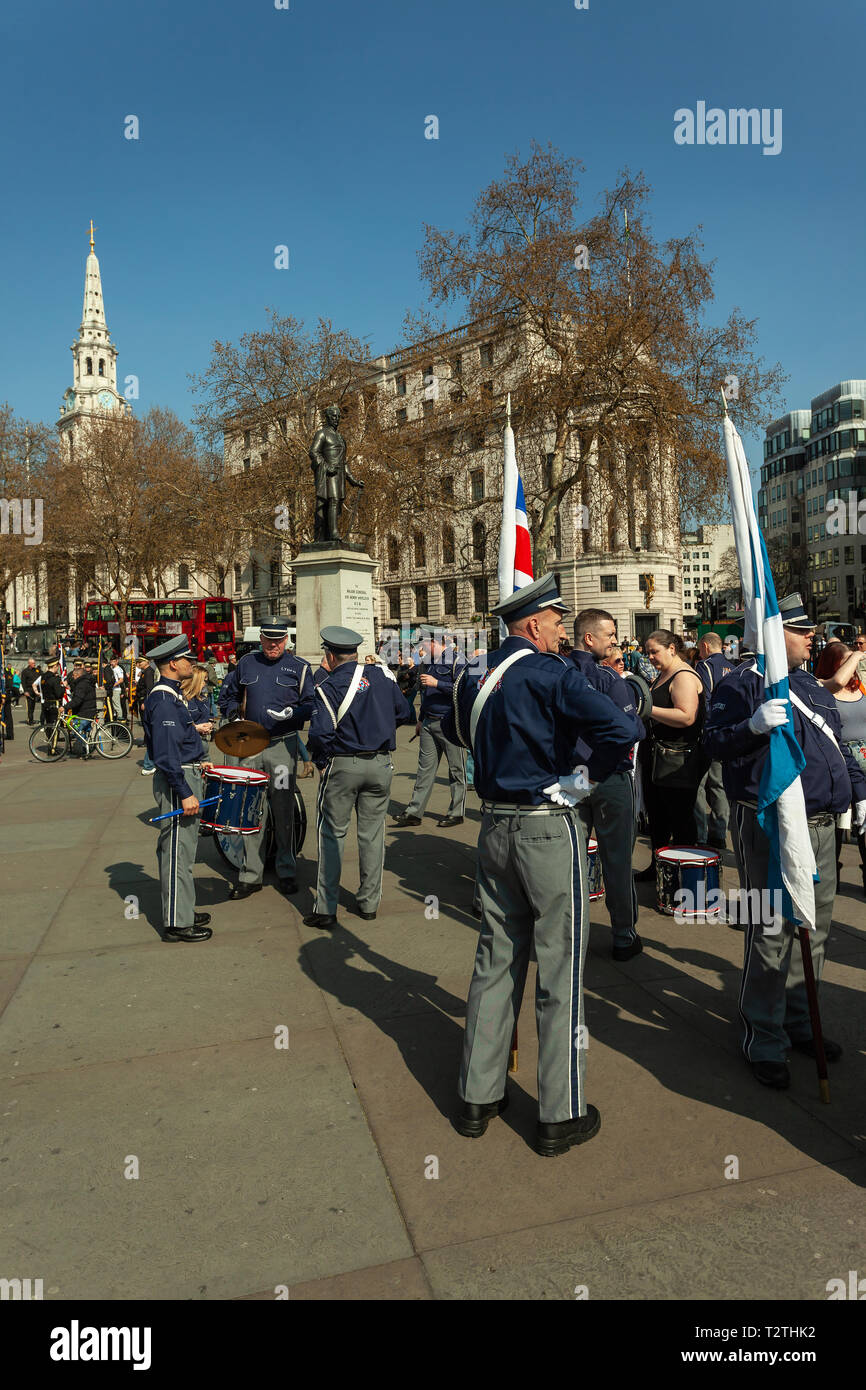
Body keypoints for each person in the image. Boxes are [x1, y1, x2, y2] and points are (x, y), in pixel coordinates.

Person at [441, 573, 642, 1157]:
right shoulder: (551, 672)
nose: (561, 630)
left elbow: (458, 731)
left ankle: (477, 1096)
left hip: (493, 823)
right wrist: (582, 778)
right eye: (556, 621)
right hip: (545, 825)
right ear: (532, 624)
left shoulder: (472, 673)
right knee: (560, 969)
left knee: (494, 957)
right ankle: (560, 1111)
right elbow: (623, 726)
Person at [704, 593, 866, 1089]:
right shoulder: (739, 686)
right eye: (800, 629)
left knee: (814, 930)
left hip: (820, 827)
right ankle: (763, 1035)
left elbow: (838, 749)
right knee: (771, 932)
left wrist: (861, 794)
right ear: (771, 634)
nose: (812, 635)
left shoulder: (812, 689)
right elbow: (712, 742)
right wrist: (751, 727)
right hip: (768, 824)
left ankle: (800, 1021)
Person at [304, 626, 413, 929]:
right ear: (354, 651)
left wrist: (321, 761)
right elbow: (403, 712)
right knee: (372, 834)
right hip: (380, 763)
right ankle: (369, 903)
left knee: (332, 834)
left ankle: (326, 908)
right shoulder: (383, 676)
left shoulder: (328, 685)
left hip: (343, 764)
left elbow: (321, 733)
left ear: (329, 654)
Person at [567, 609, 646, 960]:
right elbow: (633, 730)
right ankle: (624, 935)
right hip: (609, 776)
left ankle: (572, 932)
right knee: (616, 860)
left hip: (570, 778)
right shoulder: (607, 677)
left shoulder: (558, 672)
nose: (615, 641)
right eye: (610, 634)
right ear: (590, 638)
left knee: (572, 861)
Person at [218, 617, 314, 898]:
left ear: (287, 640)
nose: (273, 644)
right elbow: (228, 695)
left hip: (283, 749)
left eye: (279, 640)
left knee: (283, 807)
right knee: (250, 807)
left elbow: (311, 704)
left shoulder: (300, 668)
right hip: (250, 747)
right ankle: (251, 874)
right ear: (260, 638)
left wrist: (292, 715)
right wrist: (234, 714)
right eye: (268, 639)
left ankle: (286, 868)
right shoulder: (247, 663)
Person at [142, 634, 213, 943]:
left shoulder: (172, 696)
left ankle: (182, 908)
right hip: (178, 779)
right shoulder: (164, 699)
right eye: (187, 660)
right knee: (176, 852)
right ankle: (176, 922)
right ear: (173, 663)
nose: (191, 664)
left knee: (184, 851)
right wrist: (184, 792)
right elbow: (168, 755)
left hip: (186, 772)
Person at [634, 630, 707, 878]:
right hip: (660, 759)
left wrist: (648, 709)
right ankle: (660, 868)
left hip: (677, 761)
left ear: (672, 649)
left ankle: (686, 875)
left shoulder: (684, 675)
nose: (650, 657)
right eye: (648, 652)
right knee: (659, 818)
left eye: (654, 651)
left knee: (680, 819)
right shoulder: (664, 674)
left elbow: (687, 716)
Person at [392, 629, 467, 829]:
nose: (420, 649)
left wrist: (438, 683)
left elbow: (464, 690)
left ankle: (456, 812)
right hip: (428, 723)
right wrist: (420, 719)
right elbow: (425, 694)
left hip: (450, 722)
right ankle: (414, 812)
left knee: (456, 769)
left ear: (434, 641)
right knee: (424, 770)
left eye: (423, 644)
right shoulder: (428, 662)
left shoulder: (456, 660)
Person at [814, 643, 866, 895]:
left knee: (864, 822)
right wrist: (855, 655)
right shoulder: (822, 686)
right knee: (835, 823)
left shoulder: (861, 687)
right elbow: (836, 682)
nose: (853, 668)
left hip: (864, 764)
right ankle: (829, 874)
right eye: (847, 662)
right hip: (840, 764)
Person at [694, 633, 736, 849]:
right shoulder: (732, 667)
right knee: (719, 785)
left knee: (699, 784)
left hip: (709, 732)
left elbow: (704, 699)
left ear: (705, 646)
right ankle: (719, 832)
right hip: (727, 731)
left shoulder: (705, 666)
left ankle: (700, 833)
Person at [67, 660, 98, 757]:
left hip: (84, 712)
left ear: (77, 675)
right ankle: (87, 748)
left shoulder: (81, 685)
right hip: (89, 709)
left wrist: (65, 706)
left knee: (76, 730)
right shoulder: (87, 681)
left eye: (73, 675)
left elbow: (77, 700)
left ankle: (85, 749)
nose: (72, 677)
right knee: (85, 731)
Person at [134, 657, 158, 774]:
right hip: (142, 699)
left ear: (147, 662)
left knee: (148, 728)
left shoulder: (148, 672)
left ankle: (150, 762)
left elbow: (149, 688)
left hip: (145, 701)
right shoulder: (145, 672)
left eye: (140, 662)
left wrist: (145, 702)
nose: (138, 664)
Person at [182, 664, 215, 742]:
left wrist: (210, 723)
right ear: (196, 680)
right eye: (204, 680)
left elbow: (207, 715)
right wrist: (196, 728)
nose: (205, 683)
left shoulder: (204, 699)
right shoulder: (182, 698)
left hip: (202, 741)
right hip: (188, 742)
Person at [21, 657, 39, 724]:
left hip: (35, 690)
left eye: (34, 663)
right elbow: (23, 682)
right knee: (29, 706)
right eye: (33, 663)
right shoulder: (25, 671)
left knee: (33, 705)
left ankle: (32, 719)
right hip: (29, 690)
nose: (35, 664)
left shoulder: (36, 670)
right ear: (29, 663)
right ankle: (30, 720)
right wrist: (25, 691)